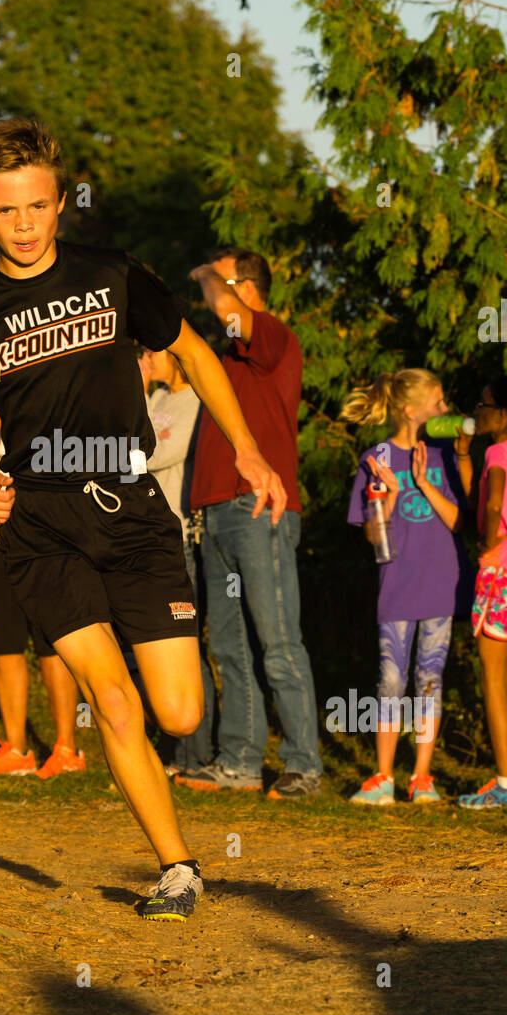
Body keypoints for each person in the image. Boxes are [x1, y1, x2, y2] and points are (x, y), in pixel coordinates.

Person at [0, 117, 286, 922]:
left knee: (180, 711)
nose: (22, 226)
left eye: (35, 206)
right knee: (113, 701)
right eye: (3, 212)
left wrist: (250, 455)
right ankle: (177, 868)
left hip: (129, 509)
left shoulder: (115, 274)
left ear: (61, 201)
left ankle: (179, 832)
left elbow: (195, 355)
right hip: (39, 524)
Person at [178, 249, 321, 798]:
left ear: (246, 286)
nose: (210, 289)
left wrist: (204, 272)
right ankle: (239, 762)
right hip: (214, 511)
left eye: (223, 278)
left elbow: (225, 308)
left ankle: (303, 765)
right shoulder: (225, 359)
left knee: (279, 642)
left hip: (258, 510)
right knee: (230, 648)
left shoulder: (271, 338)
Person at [342, 369, 475, 805]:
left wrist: (422, 484)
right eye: (437, 402)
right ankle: (383, 778)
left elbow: (460, 522)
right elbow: (374, 540)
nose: (444, 409)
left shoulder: (444, 454)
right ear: (409, 409)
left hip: (441, 583)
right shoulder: (376, 457)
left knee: (429, 678)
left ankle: (421, 777)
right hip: (397, 586)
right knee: (391, 680)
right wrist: (395, 493)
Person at [0, 403, 84, 779]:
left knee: (52, 641)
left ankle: (67, 747)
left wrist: (3, 417)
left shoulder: (38, 402)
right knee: (5, 642)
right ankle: (17, 748)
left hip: (43, 537)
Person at [139, 346, 215, 777]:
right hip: (146, 539)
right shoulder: (158, 399)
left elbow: (148, 455)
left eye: (153, 353)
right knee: (156, 649)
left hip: (177, 538)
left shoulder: (196, 403)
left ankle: (196, 756)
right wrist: (142, 391)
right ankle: (172, 753)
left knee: (187, 649)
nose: (147, 359)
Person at [459, 376, 507, 810]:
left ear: (503, 415)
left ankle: (506, 782)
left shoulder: (497, 452)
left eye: (483, 405)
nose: (476, 412)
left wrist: (487, 544)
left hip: (500, 576)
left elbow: (493, 504)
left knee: (493, 680)